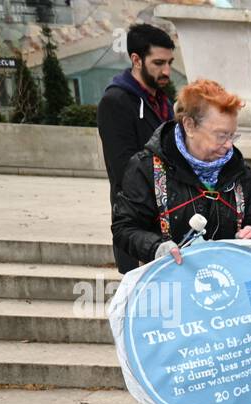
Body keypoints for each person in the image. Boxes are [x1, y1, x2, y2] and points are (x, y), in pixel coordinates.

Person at [111, 79, 251, 404]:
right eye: (221, 135)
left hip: (224, 294)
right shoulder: (148, 167)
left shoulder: (238, 173)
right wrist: (157, 247)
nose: (228, 144)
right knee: (192, 372)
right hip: (174, 295)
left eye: (232, 134)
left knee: (222, 368)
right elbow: (125, 227)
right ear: (188, 125)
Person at [97, 24, 176, 276]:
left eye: (170, 63)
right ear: (136, 59)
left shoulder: (164, 103)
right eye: (159, 63)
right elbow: (124, 171)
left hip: (169, 221)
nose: (166, 71)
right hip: (138, 226)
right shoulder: (116, 102)